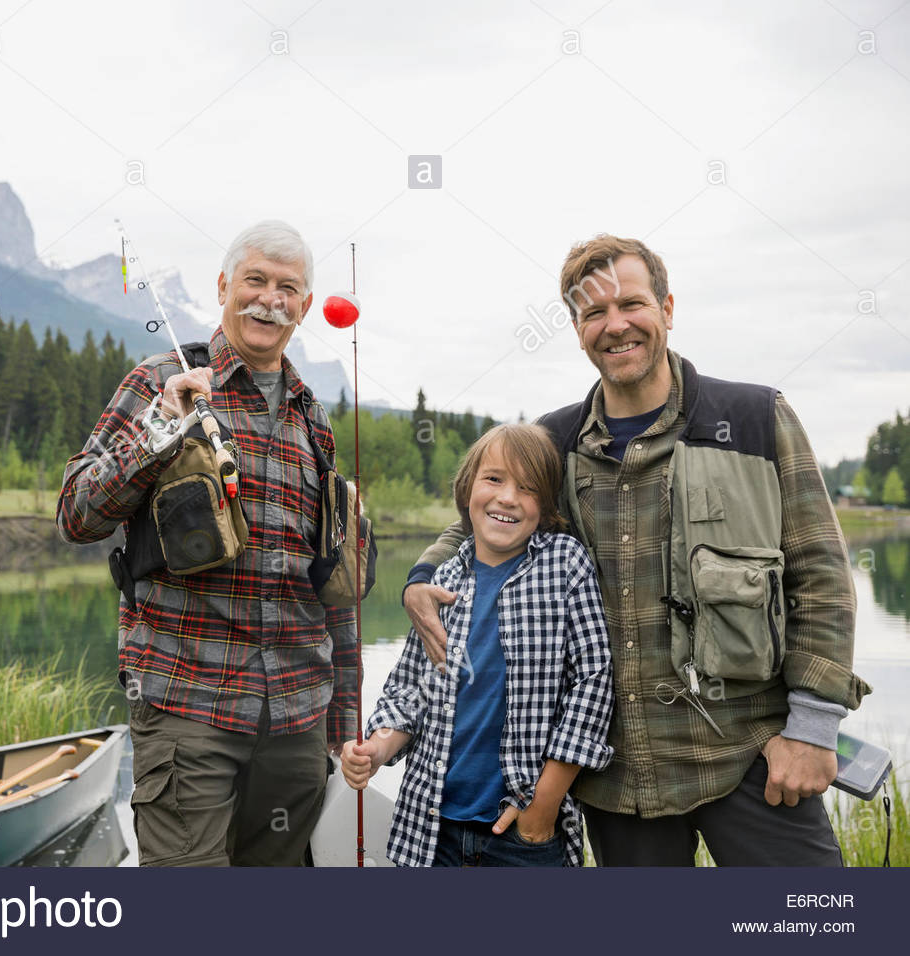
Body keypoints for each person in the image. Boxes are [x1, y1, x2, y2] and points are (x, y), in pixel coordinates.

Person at [403, 235, 870, 866]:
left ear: (668, 308)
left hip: (753, 753)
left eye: (632, 304)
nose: (615, 325)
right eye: (594, 313)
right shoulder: (553, 440)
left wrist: (813, 730)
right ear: (576, 328)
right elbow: (478, 519)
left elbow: (821, 575)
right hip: (619, 780)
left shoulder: (756, 417)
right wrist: (420, 577)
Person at [57, 220, 356, 866]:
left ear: (304, 307)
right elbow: (77, 514)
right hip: (188, 710)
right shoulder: (160, 379)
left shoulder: (314, 417)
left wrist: (346, 716)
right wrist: (162, 423)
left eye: (287, 289)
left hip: (298, 723)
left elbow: (333, 581)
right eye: (254, 281)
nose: (269, 299)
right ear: (223, 286)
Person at [342, 423, 613, 867]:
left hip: (522, 831)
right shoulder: (443, 580)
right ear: (468, 488)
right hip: (431, 829)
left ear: (545, 507)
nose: (507, 497)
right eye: (494, 479)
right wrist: (377, 748)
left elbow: (594, 681)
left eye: (527, 489)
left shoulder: (566, 563)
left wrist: (542, 807)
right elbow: (409, 692)